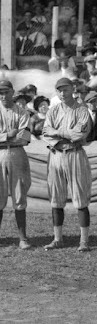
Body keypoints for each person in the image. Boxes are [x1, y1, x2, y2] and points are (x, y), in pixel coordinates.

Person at [43, 77, 94, 251]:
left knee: (80, 198)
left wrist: (57, 132)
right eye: (59, 90)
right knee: (56, 198)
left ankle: (84, 240)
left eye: (65, 89)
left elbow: (78, 135)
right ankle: (58, 238)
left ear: (72, 89)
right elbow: (46, 133)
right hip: (56, 154)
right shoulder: (53, 111)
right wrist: (64, 134)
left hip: (75, 153)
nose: (62, 93)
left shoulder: (82, 110)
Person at [0, 80, 33, 248]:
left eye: (6, 91)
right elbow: (14, 135)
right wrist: (7, 135)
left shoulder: (22, 112)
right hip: (0, 154)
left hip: (17, 153)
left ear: (13, 92)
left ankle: (22, 238)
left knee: (19, 195)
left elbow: (24, 138)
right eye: (0, 92)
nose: (3, 95)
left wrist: (6, 136)